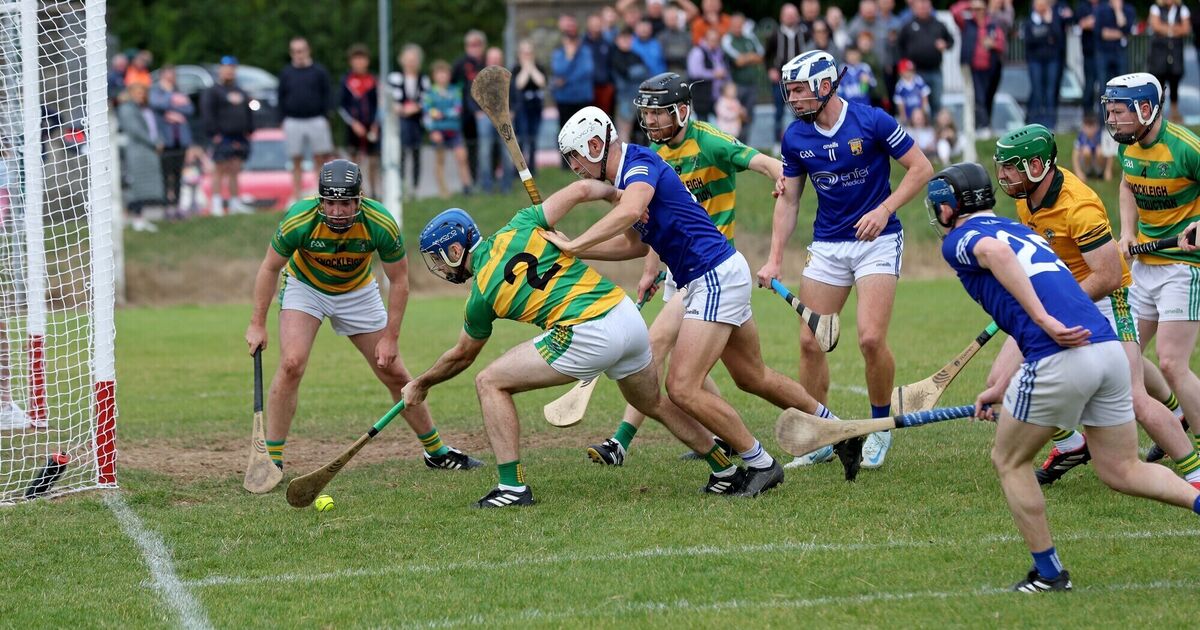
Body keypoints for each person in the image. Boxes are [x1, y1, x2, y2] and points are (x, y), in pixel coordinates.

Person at [543, 106, 850, 491]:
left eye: (574, 156)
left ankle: (760, 463)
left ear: (593, 144)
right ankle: (839, 429)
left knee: (683, 386)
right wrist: (578, 249)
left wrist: (579, 244)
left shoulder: (639, 164)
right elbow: (635, 244)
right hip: (712, 274)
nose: (572, 165)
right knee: (752, 377)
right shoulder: (626, 179)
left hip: (713, 276)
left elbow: (634, 210)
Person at [926, 161, 1200, 592]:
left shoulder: (960, 240)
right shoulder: (1022, 230)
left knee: (1009, 460)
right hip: (1107, 350)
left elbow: (997, 261)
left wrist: (1041, 319)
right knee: (1122, 470)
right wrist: (1001, 385)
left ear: (947, 208)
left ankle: (1050, 574)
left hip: (1060, 357)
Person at [403, 198, 732, 508]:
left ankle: (511, 487)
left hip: (586, 332)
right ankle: (724, 469)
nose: (438, 267)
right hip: (626, 316)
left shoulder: (480, 296)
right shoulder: (523, 223)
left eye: (437, 258)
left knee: (490, 382)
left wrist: (422, 383)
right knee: (653, 403)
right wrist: (619, 194)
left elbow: (462, 355)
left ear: (455, 250)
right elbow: (584, 189)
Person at [586, 73, 787, 465]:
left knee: (656, 347)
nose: (652, 121)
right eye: (646, 114)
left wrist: (777, 174)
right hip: (680, 266)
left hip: (711, 265)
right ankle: (722, 435)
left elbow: (759, 160)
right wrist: (649, 268)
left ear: (682, 110)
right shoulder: (655, 158)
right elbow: (652, 226)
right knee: (727, 373)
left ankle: (621, 440)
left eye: (658, 114)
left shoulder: (707, 140)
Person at [244, 159, 483, 487]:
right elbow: (270, 267)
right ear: (321, 200)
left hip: (357, 291)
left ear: (359, 200)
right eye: (331, 202)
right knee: (291, 364)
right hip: (305, 287)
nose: (338, 211)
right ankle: (271, 459)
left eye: (345, 203)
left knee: (394, 372)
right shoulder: (299, 219)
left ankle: (436, 452)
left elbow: (399, 281)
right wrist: (257, 323)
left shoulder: (380, 223)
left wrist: (390, 338)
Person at [989, 124, 1198, 488]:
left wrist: (1055, 306)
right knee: (1003, 381)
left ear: (1037, 165)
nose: (1003, 175)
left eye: (1011, 166)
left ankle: (1195, 473)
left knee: (1134, 399)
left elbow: (1108, 276)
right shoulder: (1026, 197)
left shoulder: (1078, 206)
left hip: (1106, 300)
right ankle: (1070, 443)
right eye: (1001, 166)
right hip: (1065, 296)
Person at [758, 51, 934, 469]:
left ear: (824, 86)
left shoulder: (872, 120)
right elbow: (789, 201)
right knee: (809, 341)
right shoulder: (795, 137)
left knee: (870, 339)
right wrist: (773, 258)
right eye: (789, 91)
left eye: (799, 90)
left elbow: (921, 168)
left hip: (878, 240)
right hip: (829, 244)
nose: (792, 98)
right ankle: (820, 435)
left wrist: (884, 209)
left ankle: (877, 428)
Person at [1106, 73, 1200, 466]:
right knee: (1119, 355)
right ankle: (1176, 417)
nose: (1112, 121)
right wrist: (1127, 232)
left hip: (1184, 266)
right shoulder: (1128, 147)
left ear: (1146, 109)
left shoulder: (1185, 147)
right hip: (1144, 265)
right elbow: (1128, 185)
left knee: (1172, 362)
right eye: (1108, 112)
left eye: (1119, 112)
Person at [279, 37, 334, 203]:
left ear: (308, 50)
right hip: (293, 120)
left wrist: (326, 116)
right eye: (295, 51)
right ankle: (296, 196)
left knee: (321, 158)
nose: (299, 54)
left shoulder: (319, 72)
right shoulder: (286, 73)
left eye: (301, 50)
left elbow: (327, 94)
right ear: (291, 53)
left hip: (316, 119)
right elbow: (280, 96)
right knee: (296, 159)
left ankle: (320, 194)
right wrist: (281, 118)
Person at [201, 57, 253, 216]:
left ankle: (234, 202)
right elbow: (207, 112)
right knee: (219, 169)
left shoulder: (240, 91)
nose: (229, 71)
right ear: (220, 70)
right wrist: (213, 133)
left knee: (235, 169)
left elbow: (248, 111)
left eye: (232, 67)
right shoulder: (213, 91)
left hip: (239, 135)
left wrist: (250, 129)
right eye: (226, 67)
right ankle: (216, 203)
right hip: (222, 135)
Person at [118, 82, 165, 233]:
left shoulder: (145, 108)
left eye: (143, 92)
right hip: (137, 152)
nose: (141, 95)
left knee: (141, 187)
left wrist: (159, 141)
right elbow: (136, 130)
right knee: (134, 185)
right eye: (137, 92)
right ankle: (133, 218)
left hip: (147, 152)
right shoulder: (126, 108)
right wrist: (153, 143)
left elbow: (154, 128)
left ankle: (137, 217)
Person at [149, 65, 194, 220]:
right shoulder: (157, 92)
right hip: (165, 142)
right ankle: (166, 206)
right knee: (165, 175)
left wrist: (173, 113)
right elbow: (156, 104)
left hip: (180, 140)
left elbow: (189, 109)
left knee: (178, 175)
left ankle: (177, 205)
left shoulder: (179, 91)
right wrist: (172, 98)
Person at [423, 60, 472, 198]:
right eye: (439, 74)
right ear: (434, 76)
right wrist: (432, 130)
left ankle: (466, 186)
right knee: (440, 160)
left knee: (462, 157)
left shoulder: (455, 91)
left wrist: (441, 114)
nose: (442, 77)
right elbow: (427, 113)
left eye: (445, 74)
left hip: (454, 130)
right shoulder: (429, 93)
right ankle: (443, 191)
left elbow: (457, 110)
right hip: (438, 131)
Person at [896, 0, 953, 117]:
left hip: (935, 71)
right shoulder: (908, 26)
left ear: (930, 6)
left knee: (936, 103)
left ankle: (936, 132)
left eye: (925, 3)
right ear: (914, 7)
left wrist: (945, 44)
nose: (923, 7)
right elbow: (899, 46)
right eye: (920, 4)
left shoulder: (939, 25)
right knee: (917, 105)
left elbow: (951, 41)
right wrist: (905, 69)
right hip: (915, 74)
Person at [387, 44, 429, 199]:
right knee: (402, 153)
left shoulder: (423, 79)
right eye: (408, 59)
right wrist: (401, 108)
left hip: (416, 121)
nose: (411, 63)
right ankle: (401, 185)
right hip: (400, 121)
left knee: (417, 153)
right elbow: (391, 99)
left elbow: (426, 99)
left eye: (414, 60)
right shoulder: (394, 77)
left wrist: (416, 107)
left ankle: (415, 187)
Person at [339, 44, 380, 196]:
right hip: (354, 128)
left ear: (367, 61)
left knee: (373, 160)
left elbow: (379, 104)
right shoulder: (347, 81)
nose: (359, 62)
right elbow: (342, 107)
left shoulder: (373, 80)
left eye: (362, 59)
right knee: (354, 161)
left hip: (372, 127)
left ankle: (375, 192)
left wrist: (376, 124)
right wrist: (353, 123)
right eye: (356, 59)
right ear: (351, 61)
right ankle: (359, 192)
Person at [474, 46, 515, 194]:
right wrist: (476, 112)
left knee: (508, 153)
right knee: (485, 152)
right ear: (487, 60)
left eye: (497, 59)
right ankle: (486, 186)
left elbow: (516, 96)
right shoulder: (480, 77)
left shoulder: (507, 77)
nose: (495, 62)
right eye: (492, 59)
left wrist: (513, 111)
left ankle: (507, 185)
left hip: (505, 119)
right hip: (485, 117)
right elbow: (471, 95)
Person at [1023, 0, 1067, 130]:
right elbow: (1030, 40)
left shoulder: (1052, 20)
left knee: (1050, 91)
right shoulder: (1029, 21)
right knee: (1037, 90)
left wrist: (1049, 23)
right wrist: (1046, 37)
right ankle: (1035, 123)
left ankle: (1050, 123)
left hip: (1052, 60)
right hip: (1035, 61)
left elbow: (1058, 37)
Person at [720, 12, 764, 143]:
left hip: (752, 84)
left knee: (748, 116)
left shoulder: (749, 38)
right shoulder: (728, 39)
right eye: (735, 25)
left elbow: (760, 56)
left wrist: (747, 58)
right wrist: (750, 56)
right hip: (736, 85)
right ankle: (734, 144)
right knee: (735, 116)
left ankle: (745, 145)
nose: (738, 28)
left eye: (740, 25)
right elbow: (738, 61)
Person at [451, 31, 487, 189]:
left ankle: (487, 178)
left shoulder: (486, 63)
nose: (475, 48)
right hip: (466, 113)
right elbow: (452, 86)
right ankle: (471, 180)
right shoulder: (460, 64)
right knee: (470, 148)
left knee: (486, 147)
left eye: (478, 44)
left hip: (486, 112)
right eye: (472, 45)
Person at [1147, 0, 1191, 121]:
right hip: (1159, 53)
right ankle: (1157, 113)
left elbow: (1186, 29)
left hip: (1175, 53)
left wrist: (1165, 29)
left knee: (1174, 81)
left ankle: (1174, 113)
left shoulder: (1182, 9)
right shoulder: (1155, 8)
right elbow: (1155, 26)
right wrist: (1175, 29)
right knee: (1158, 83)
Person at [552, 15, 596, 131]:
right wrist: (569, 57)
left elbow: (586, 71)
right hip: (564, 99)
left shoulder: (585, 51)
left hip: (582, 98)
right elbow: (558, 70)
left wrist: (566, 80)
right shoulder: (559, 53)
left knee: (584, 132)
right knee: (565, 131)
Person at [513, 40, 547, 176]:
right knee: (522, 136)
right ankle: (520, 167)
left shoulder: (539, 67)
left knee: (533, 136)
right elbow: (519, 84)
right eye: (524, 53)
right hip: (522, 107)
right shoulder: (516, 69)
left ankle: (532, 166)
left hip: (536, 106)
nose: (527, 55)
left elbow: (541, 82)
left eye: (529, 52)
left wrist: (531, 67)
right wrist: (526, 68)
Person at [685, 27, 727, 122]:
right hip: (701, 97)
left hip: (716, 96)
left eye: (716, 40)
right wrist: (714, 74)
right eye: (712, 40)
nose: (714, 43)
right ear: (705, 39)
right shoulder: (698, 52)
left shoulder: (719, 52)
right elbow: (695, 72)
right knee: (702, 124)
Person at [1072, 113, 1111, 182]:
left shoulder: (1102, 136)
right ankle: (1088, 171)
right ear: (1083, 127)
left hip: (1098, 161)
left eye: (1092, 126)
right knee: (1086, 150)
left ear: (1097, 126)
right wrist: (1078, 172)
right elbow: (1075, 155)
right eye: (1087, 126)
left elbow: (1110, 154)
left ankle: (1099, 171)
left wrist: (1108, 171)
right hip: (1086, 160)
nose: (1089, 129)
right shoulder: (1081, 137)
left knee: (1100, 150)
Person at [892, 58, 929, 124]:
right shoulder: (900, 86)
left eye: (911, 70)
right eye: (907, 70)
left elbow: (924, 95)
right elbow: (900, 103)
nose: (910, 72)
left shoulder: (918, 80)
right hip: (908, 113)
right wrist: (903, 115)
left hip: (920, 112)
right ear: (901, 72)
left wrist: (924, 110)